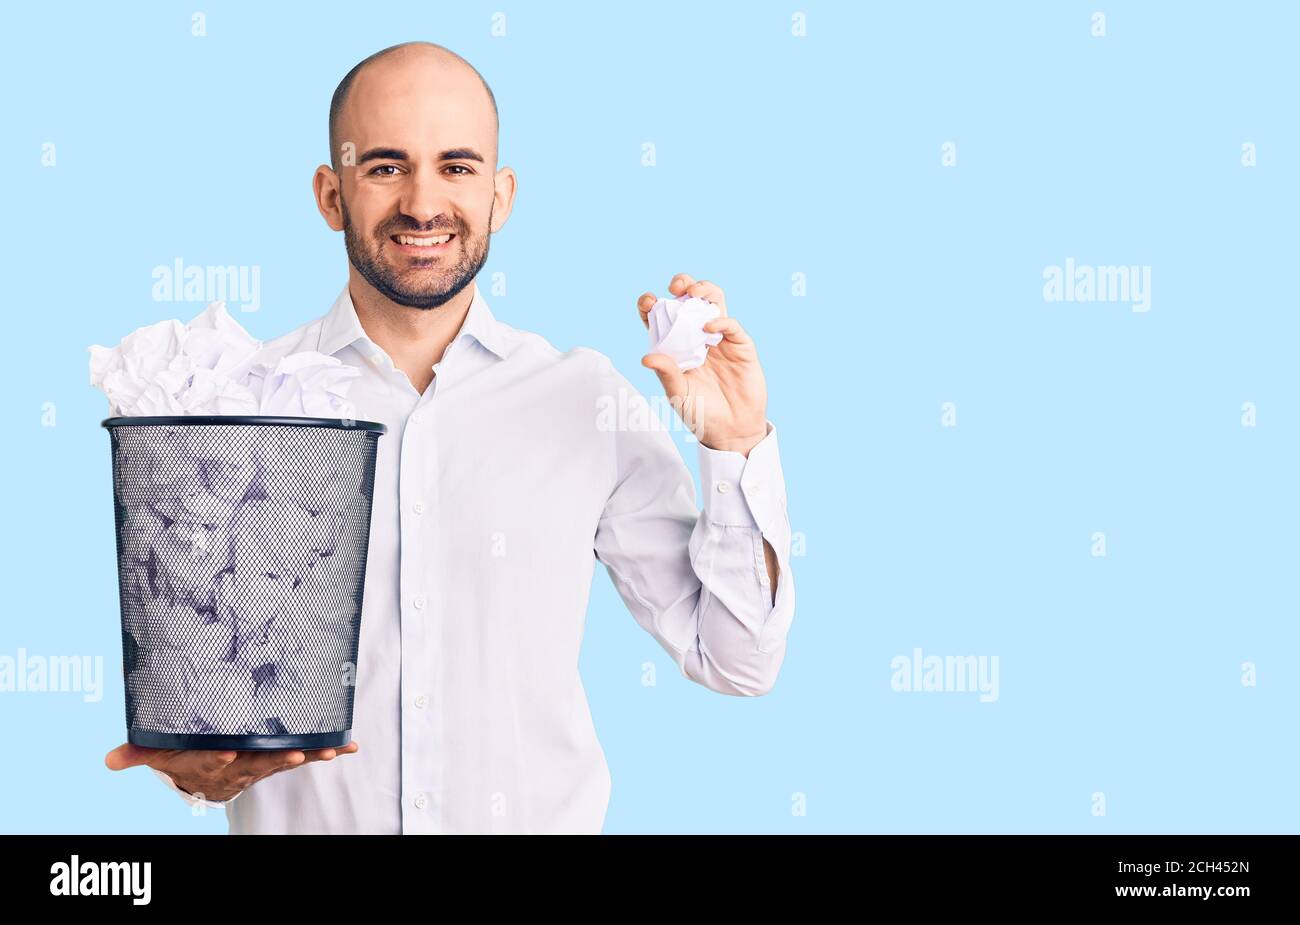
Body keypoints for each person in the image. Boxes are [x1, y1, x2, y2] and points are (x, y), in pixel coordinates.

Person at [105, 41, 795, 834]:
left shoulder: (583, 399)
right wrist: (199, 769)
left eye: (457, 167)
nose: (424, 204)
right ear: (332, 195)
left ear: (502, 195)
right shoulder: (242, 400)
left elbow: (738, 657)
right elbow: (205, 682)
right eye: (387, 166)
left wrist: (735, 443)